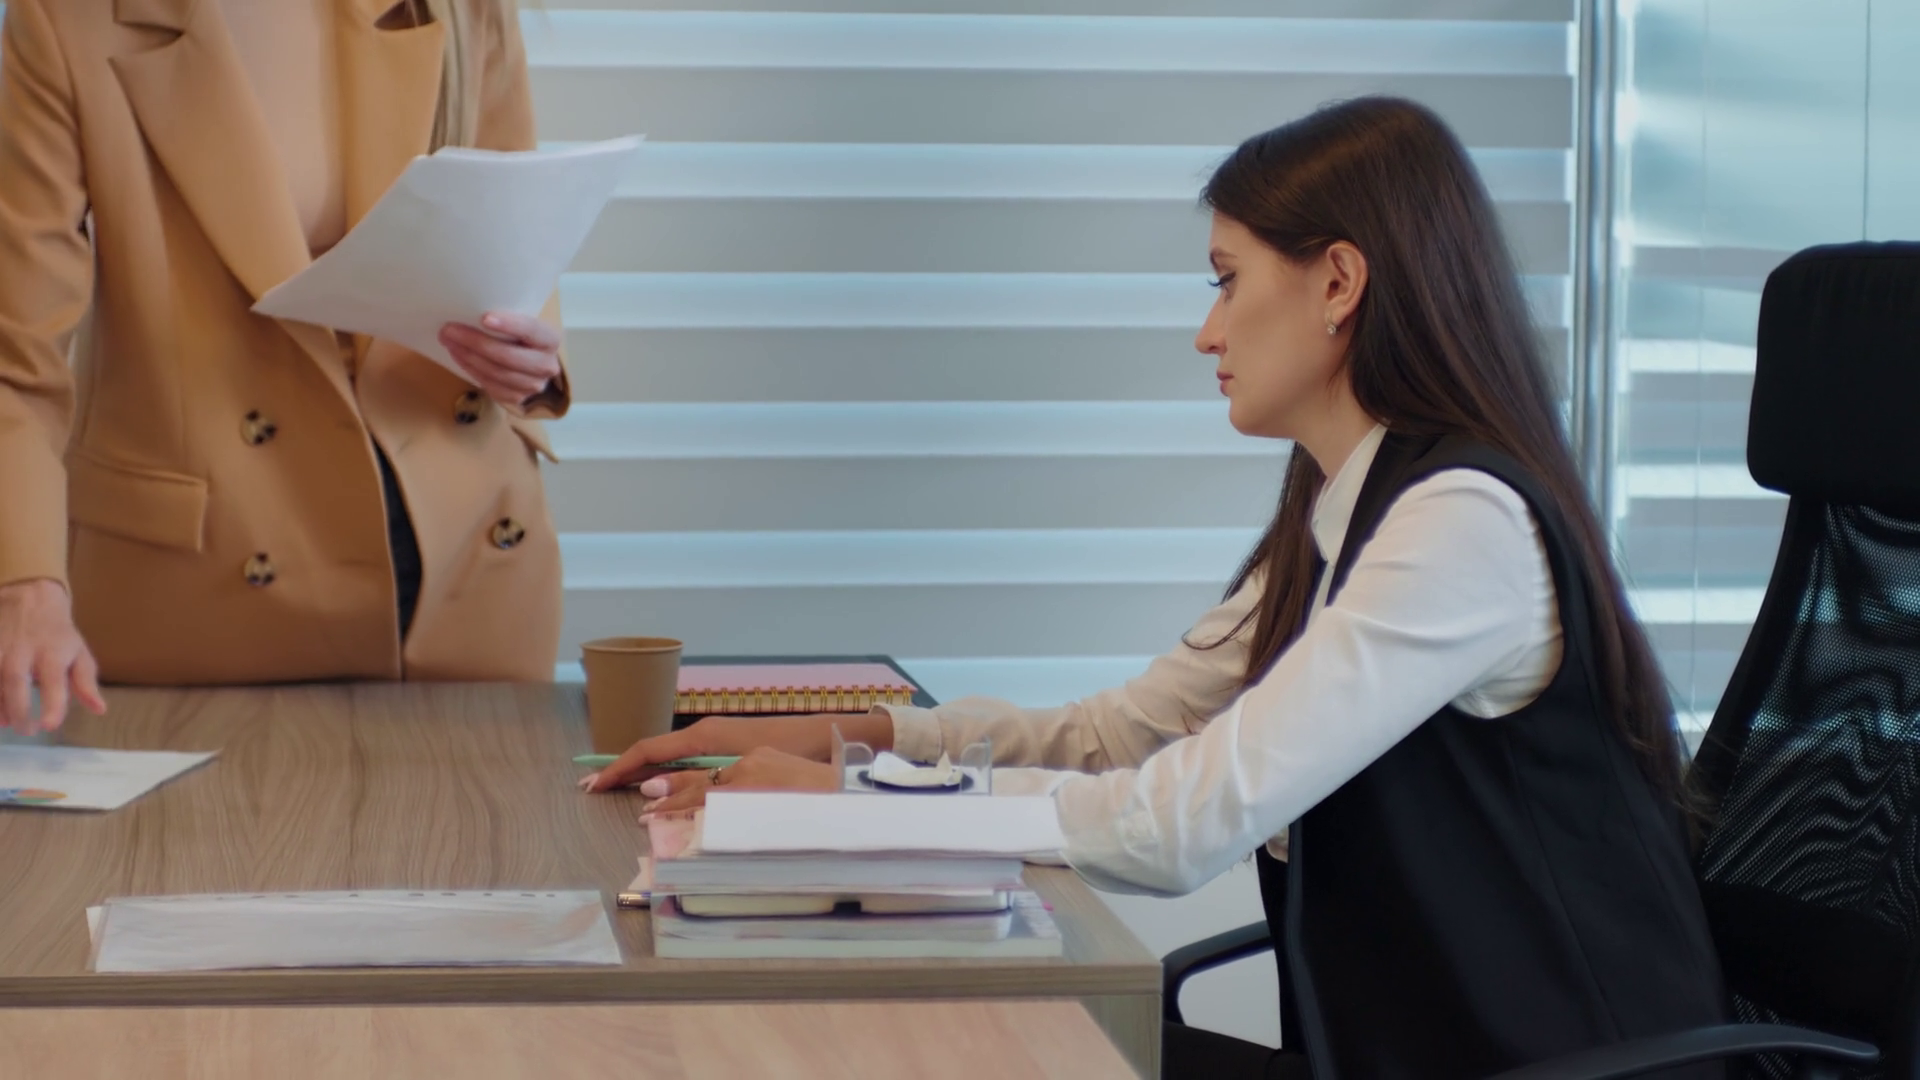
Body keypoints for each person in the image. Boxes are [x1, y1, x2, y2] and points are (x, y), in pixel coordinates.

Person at [587, 96, 1729, 1078]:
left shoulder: (1461, 527)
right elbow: (1115, 737)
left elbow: (1184, 823)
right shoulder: (1338, 519)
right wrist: (843, 735)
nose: (1206, 331)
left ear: (1338, 281)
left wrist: (855, 807)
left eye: (1228, 282)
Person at [0, 0, 568, 735]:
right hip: (210, 594)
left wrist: (527, 354)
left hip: (466, 573)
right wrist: (24, 577)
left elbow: (515, 239)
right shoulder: (67, 21)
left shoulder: (465, 9)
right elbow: (17, 355)